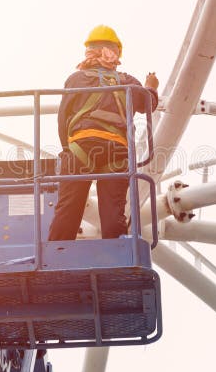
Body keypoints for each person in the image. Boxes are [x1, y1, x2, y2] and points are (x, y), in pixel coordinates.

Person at [48, 25, 159, 241]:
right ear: (115, 53)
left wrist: (68, 150)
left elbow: (63, 119)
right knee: (113, 214)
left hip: (80, 148)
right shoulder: (127, 81)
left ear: (89, 51)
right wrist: (151, 86)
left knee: (68, 210)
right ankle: (117, 251)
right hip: (117, 151)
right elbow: (148, 103)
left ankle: (58, 250)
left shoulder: (76, 79)